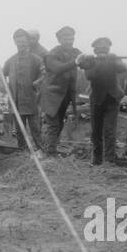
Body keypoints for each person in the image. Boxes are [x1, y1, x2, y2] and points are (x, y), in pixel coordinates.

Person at [78, 37, 124, 166]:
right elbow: (89, 75)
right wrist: (97, 62)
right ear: (95, 50)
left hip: (112, 98)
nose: (102, 50)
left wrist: (110, 59)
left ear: (109, 48)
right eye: (100, 48)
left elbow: (122, 68)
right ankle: (97, 160)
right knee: (96, 131)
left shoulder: (114, 58)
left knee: (109, 130)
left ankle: (109, 160)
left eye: (105, 48)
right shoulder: (91, 60)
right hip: (97, 98)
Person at [38, 26, 80, 156]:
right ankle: (49, 153)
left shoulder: (75, 52)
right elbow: (57, 68)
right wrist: (77, 61)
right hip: (51, 95)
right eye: (66, 38)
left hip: (65, 95)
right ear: (59, 39)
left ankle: (50, 148)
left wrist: (89, 59)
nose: (69, 41)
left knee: (59, 123)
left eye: (71, 38)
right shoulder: (52, 54)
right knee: (53, 125)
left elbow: (86, 64)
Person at [3, 28, 43, 149]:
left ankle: (40, 149)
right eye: (18, 41)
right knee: (20, 128)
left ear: (28, 42)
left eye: (23, 41)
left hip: (32, 99)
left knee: (35, 128)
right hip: (16, 101)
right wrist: (6, 88)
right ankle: (22, 150)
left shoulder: (36, 59)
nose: (21, 44)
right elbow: (2, 75)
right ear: (15, 42)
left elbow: (45, 74)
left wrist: (36, 82)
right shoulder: (10, 61)